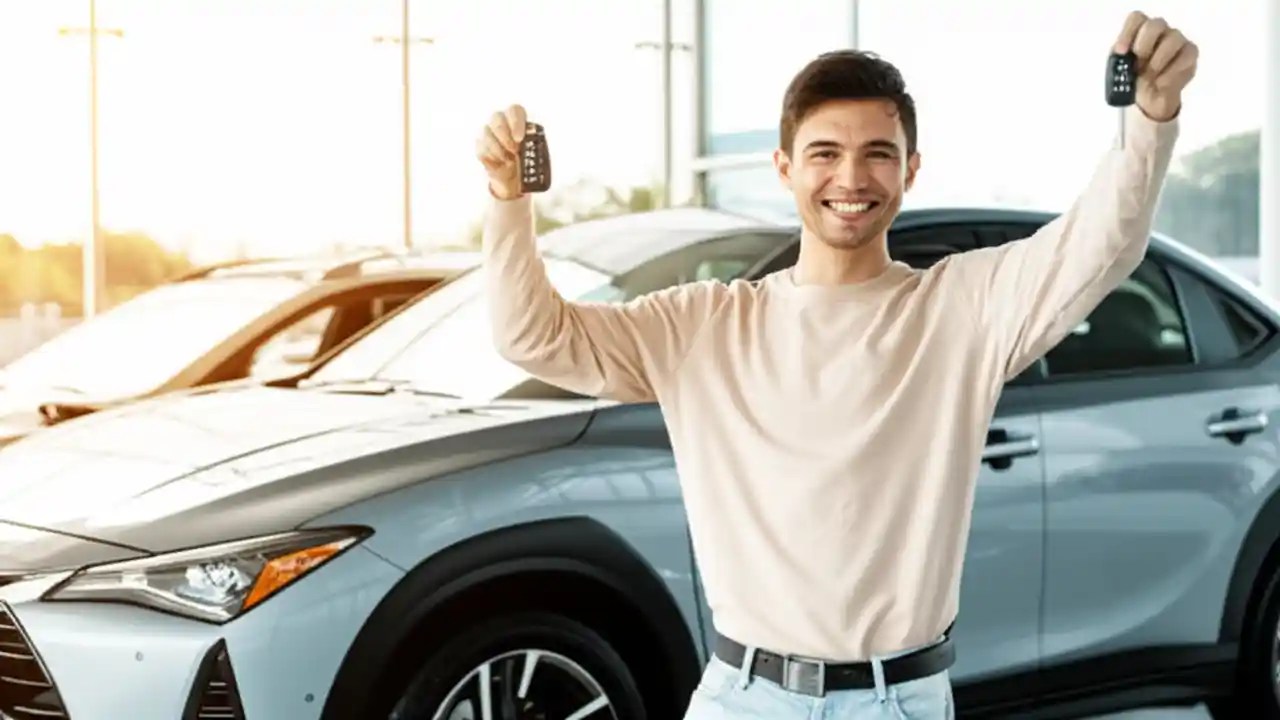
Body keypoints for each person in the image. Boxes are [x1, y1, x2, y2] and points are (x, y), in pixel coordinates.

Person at [474, 10, 1196, 719]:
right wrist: (509, 203)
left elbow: (1103, 244)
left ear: (911, 169)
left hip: (899, 701)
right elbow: (534, 337)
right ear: (785, 167)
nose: (851, 176)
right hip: (742, 697)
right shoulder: (704, 324)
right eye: (825, 153)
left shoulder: (961, 311)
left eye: (878, 153)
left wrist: (1149, 123)